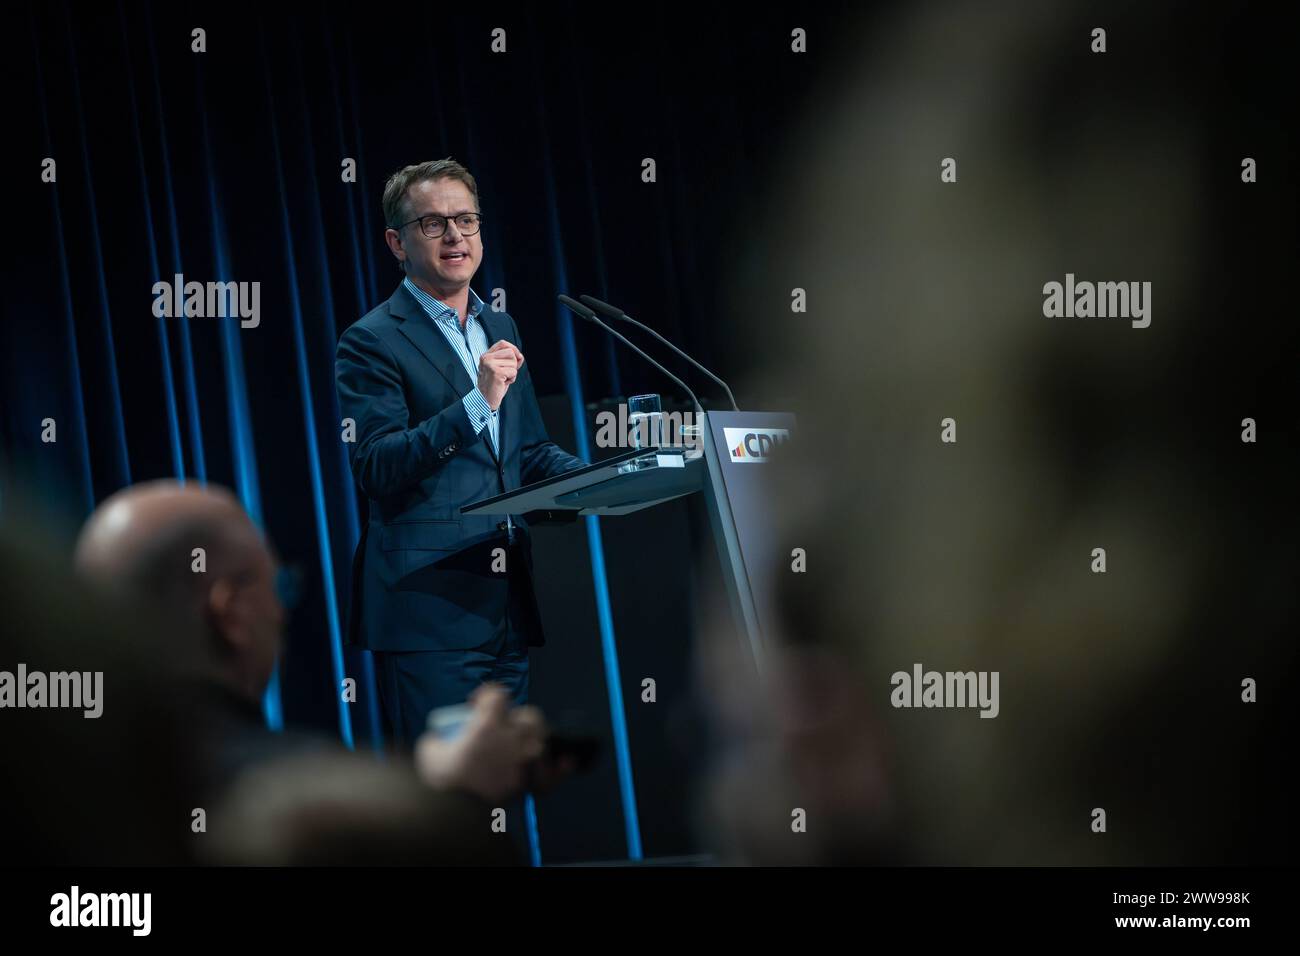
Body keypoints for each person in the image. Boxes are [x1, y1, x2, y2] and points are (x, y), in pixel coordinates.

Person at [73, 480, 572, 864]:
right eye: (279, 588)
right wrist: (448, 803)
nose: (282, 614)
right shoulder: (317, 808)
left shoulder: (43, 793)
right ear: (232, 613)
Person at [335, 158, 586, 747]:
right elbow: (376, 465)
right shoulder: (371, 339)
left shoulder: (501, 326)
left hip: (505, 606)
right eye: (433, 223)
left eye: (466, 220)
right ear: (397, 242)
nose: (455, 237)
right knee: (446, 805)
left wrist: (606, 479)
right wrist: (478, 402)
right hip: (429, 608)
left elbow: (527, 452)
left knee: (503, 789)